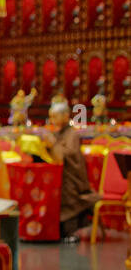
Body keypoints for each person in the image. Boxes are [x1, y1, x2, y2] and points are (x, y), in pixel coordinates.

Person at [40, 96, 100, 240]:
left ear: (66, 116)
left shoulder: (72, 134)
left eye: (55, 116)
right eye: (51, 117)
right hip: (60, 174)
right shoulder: (58, 133)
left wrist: (53, 144)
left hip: (73, 179)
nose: (53, 120)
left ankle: (70, 231)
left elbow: (65, 157)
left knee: (66, 189)